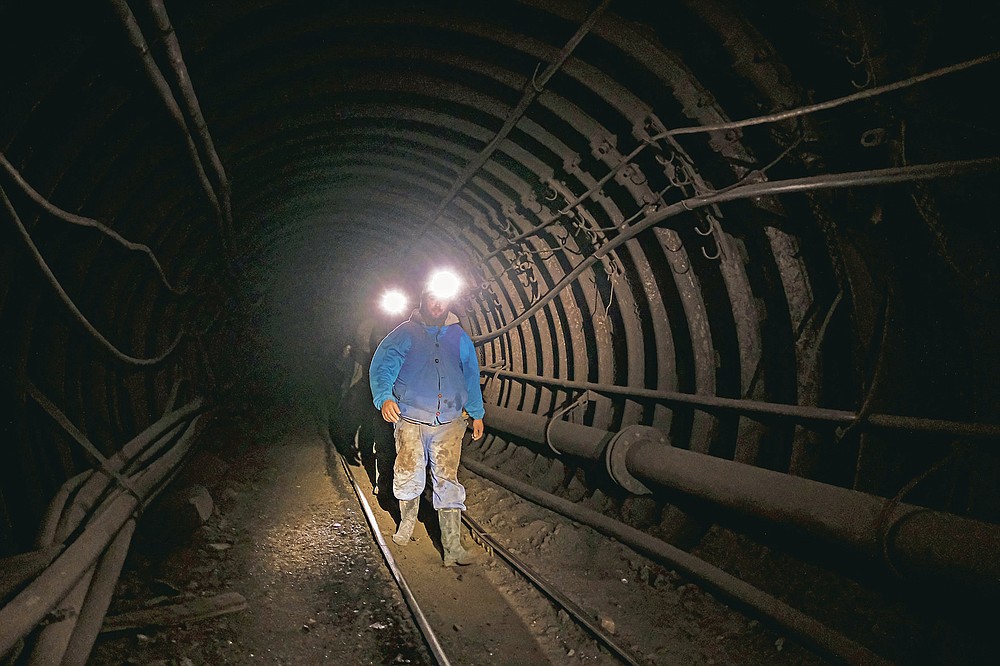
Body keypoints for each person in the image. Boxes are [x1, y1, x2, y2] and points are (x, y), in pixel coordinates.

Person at [369, 285, 485, 567]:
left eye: (443, 298)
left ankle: (453, 547)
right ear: (423, 301)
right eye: (433, 298)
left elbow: (470, 374)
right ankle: (406, 523)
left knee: (448, 481)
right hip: (411, 419)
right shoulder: (405, 333)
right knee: (409, 473)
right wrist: (384, 398)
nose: (438, 304)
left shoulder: (458, 336)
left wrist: (477, 412)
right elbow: (383, 367)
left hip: (449, 422)